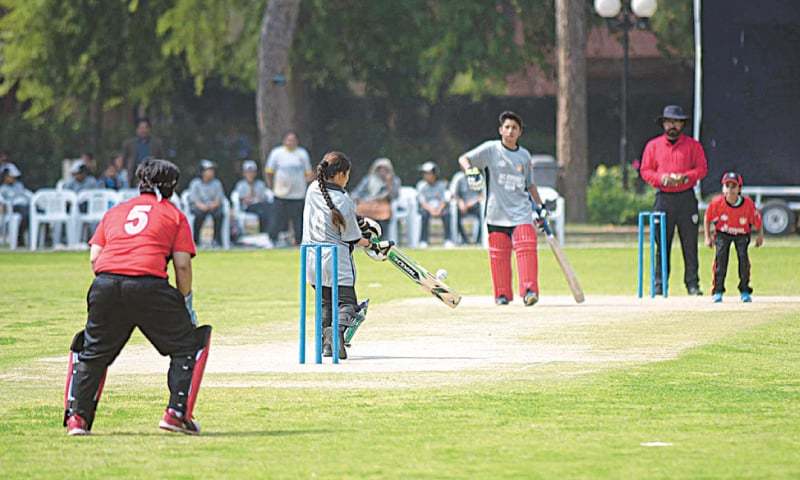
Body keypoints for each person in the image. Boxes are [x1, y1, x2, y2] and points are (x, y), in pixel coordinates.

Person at [63, 158, 211, 436]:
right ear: (171, 187)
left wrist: (114, 283)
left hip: (105, 283)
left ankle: (77, 419)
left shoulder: (116, 211)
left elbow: (95, 257)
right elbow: (182, 264)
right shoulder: (173, 214)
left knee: (93, 353)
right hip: (149, 285)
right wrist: (185, 302)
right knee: (186, 345)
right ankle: (176, 415)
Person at [302, 151, 392, 359]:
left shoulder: (313, 189)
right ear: (341, 174)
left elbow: (337, 217)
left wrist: (357, 220)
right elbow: (353, 238)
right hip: (336, 260)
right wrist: (373, 244)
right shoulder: (343, 199)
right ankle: (336, 334)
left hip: (311, 259)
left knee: (326, 303)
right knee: (348, 305)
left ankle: (327, 346)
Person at [458, 111, 546, 306]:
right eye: (507, 127)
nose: (510, 131)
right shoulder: (491, 150)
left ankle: (530, 291)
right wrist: (471, 172)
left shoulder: (524, 156)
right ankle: (502, 294)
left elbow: (530, 185)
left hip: (521, 212)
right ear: (500, 130)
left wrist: (540, 207)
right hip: (496, 213)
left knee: (527, 247)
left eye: (514, 128)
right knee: (499, 255)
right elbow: (464, 159)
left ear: (520, 132)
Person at [640, 105, 709, 296]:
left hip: (686, 197)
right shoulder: (653, 146)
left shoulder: (692, 145)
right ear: (663, 123)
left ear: (682, 124)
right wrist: (661, 178)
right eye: (669, 121)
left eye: (677, 122)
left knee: (690, 243)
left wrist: (686, 177)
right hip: (663, 198)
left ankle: (692, 284)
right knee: (661, 244)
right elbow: (645, 171)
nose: (673, 126)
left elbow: (702, 168)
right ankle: (660, 284)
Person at [704, 172, 764, 303]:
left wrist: (760, 236)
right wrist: (707, 237)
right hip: (722, 233)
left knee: (743, 259)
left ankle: (744, 290)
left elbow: (757, 220)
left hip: (742, 233)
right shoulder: (717, 203)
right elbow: (707, 218)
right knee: (721, 259)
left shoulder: (747, 203)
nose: (730, 189)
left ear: (739, 189)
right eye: (727, 186)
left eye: (733, 186)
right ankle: (718, 290)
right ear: (723, 188)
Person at [265, 131, 312, 246]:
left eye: (293, 140)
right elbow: (269, 171)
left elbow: (308, 173)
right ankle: (272, 240)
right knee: (276, 219)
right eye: (288, 140)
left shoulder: (302, 154)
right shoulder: (277, 153)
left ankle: (299, 242)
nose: (291, 142)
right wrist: (271, 186)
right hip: (281, 193)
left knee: (298, 221)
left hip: (297, 194)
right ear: (284, 141)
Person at [350, 157, 402, 236]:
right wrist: (358, 199)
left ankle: (382, 238)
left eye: (385, 169)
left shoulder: (394, 180)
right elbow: (356, 192)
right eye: (380, 169)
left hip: (384, 205)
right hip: (367, 205)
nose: (382, 171)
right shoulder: (368, 180)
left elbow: (394, 196)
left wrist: (389, 184)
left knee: (384, 214)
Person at [188, 159, 226, 247]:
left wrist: (212, 205)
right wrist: (202, 206)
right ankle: (196, 240)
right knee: (198, 215)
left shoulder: (217, 183)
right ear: (202, 172)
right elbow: (194, 200)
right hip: (199, 207)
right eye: (209, 170)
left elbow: (219, 199)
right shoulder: (195, 183)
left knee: (219, 214)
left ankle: (217, 240)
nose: (212, 172)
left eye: (212, 170)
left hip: (213, 207)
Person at [416, 161, 453, 248]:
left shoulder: (442, 184)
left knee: (447, 214)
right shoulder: (421, 185)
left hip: (440, 208)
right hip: (427, 209)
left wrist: (439, 209)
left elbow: (445, 199)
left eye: (428, 173)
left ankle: (448, 239)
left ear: (435, 174)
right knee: (424, 215)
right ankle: (423, 240)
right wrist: (431, 210)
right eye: (424, 173)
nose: (426, 175)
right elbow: (422, 201)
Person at [233, 160, 274, 237]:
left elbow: (263, 197)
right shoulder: (241, 185)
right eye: (248, 172)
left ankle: (268, 234)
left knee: (268, 209)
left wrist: (255, 199)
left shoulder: (260, 184)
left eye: (252, 172)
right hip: (248, 207)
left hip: (260, 205)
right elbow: (242, 199)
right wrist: (252, 199)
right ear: (244, 173)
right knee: (262, 210)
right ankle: (264, 234)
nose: (250, 174)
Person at [0, 163, 33, 246]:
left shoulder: (19, 185)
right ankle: (19, 237)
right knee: (25, 213)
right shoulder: (3, 189)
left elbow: (27, 195)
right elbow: (3, 204)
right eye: (11, 177)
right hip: (14, 208)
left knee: (36, 211)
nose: (13, 179)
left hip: (26, 206)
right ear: (5, 176)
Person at [452, 169, 484, 244]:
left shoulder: (479, 177)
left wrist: (471, 203)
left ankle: (479, 240)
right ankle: (463, 240)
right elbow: (454, 194)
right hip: (462, 206)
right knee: (454, 215)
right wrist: (460, 203)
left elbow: (482, 195)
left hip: (475, 205)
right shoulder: (458, 177)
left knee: (482, 213)